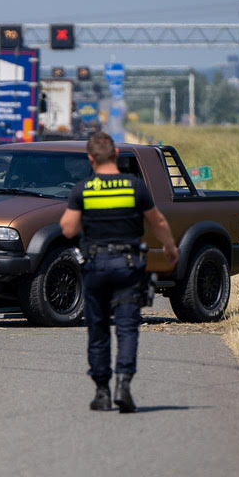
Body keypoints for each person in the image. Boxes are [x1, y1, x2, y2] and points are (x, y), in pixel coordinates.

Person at [61, 132, 178, 413]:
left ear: (91, 159)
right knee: (126, 327)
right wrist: (170, 247)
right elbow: (158, 221)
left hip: (96, 265)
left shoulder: (83, 189)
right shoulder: (134, 186)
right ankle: (123, 384)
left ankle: (102, 391)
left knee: (98, 327)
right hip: (128, 265)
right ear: (115, 155)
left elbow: (68, 228)